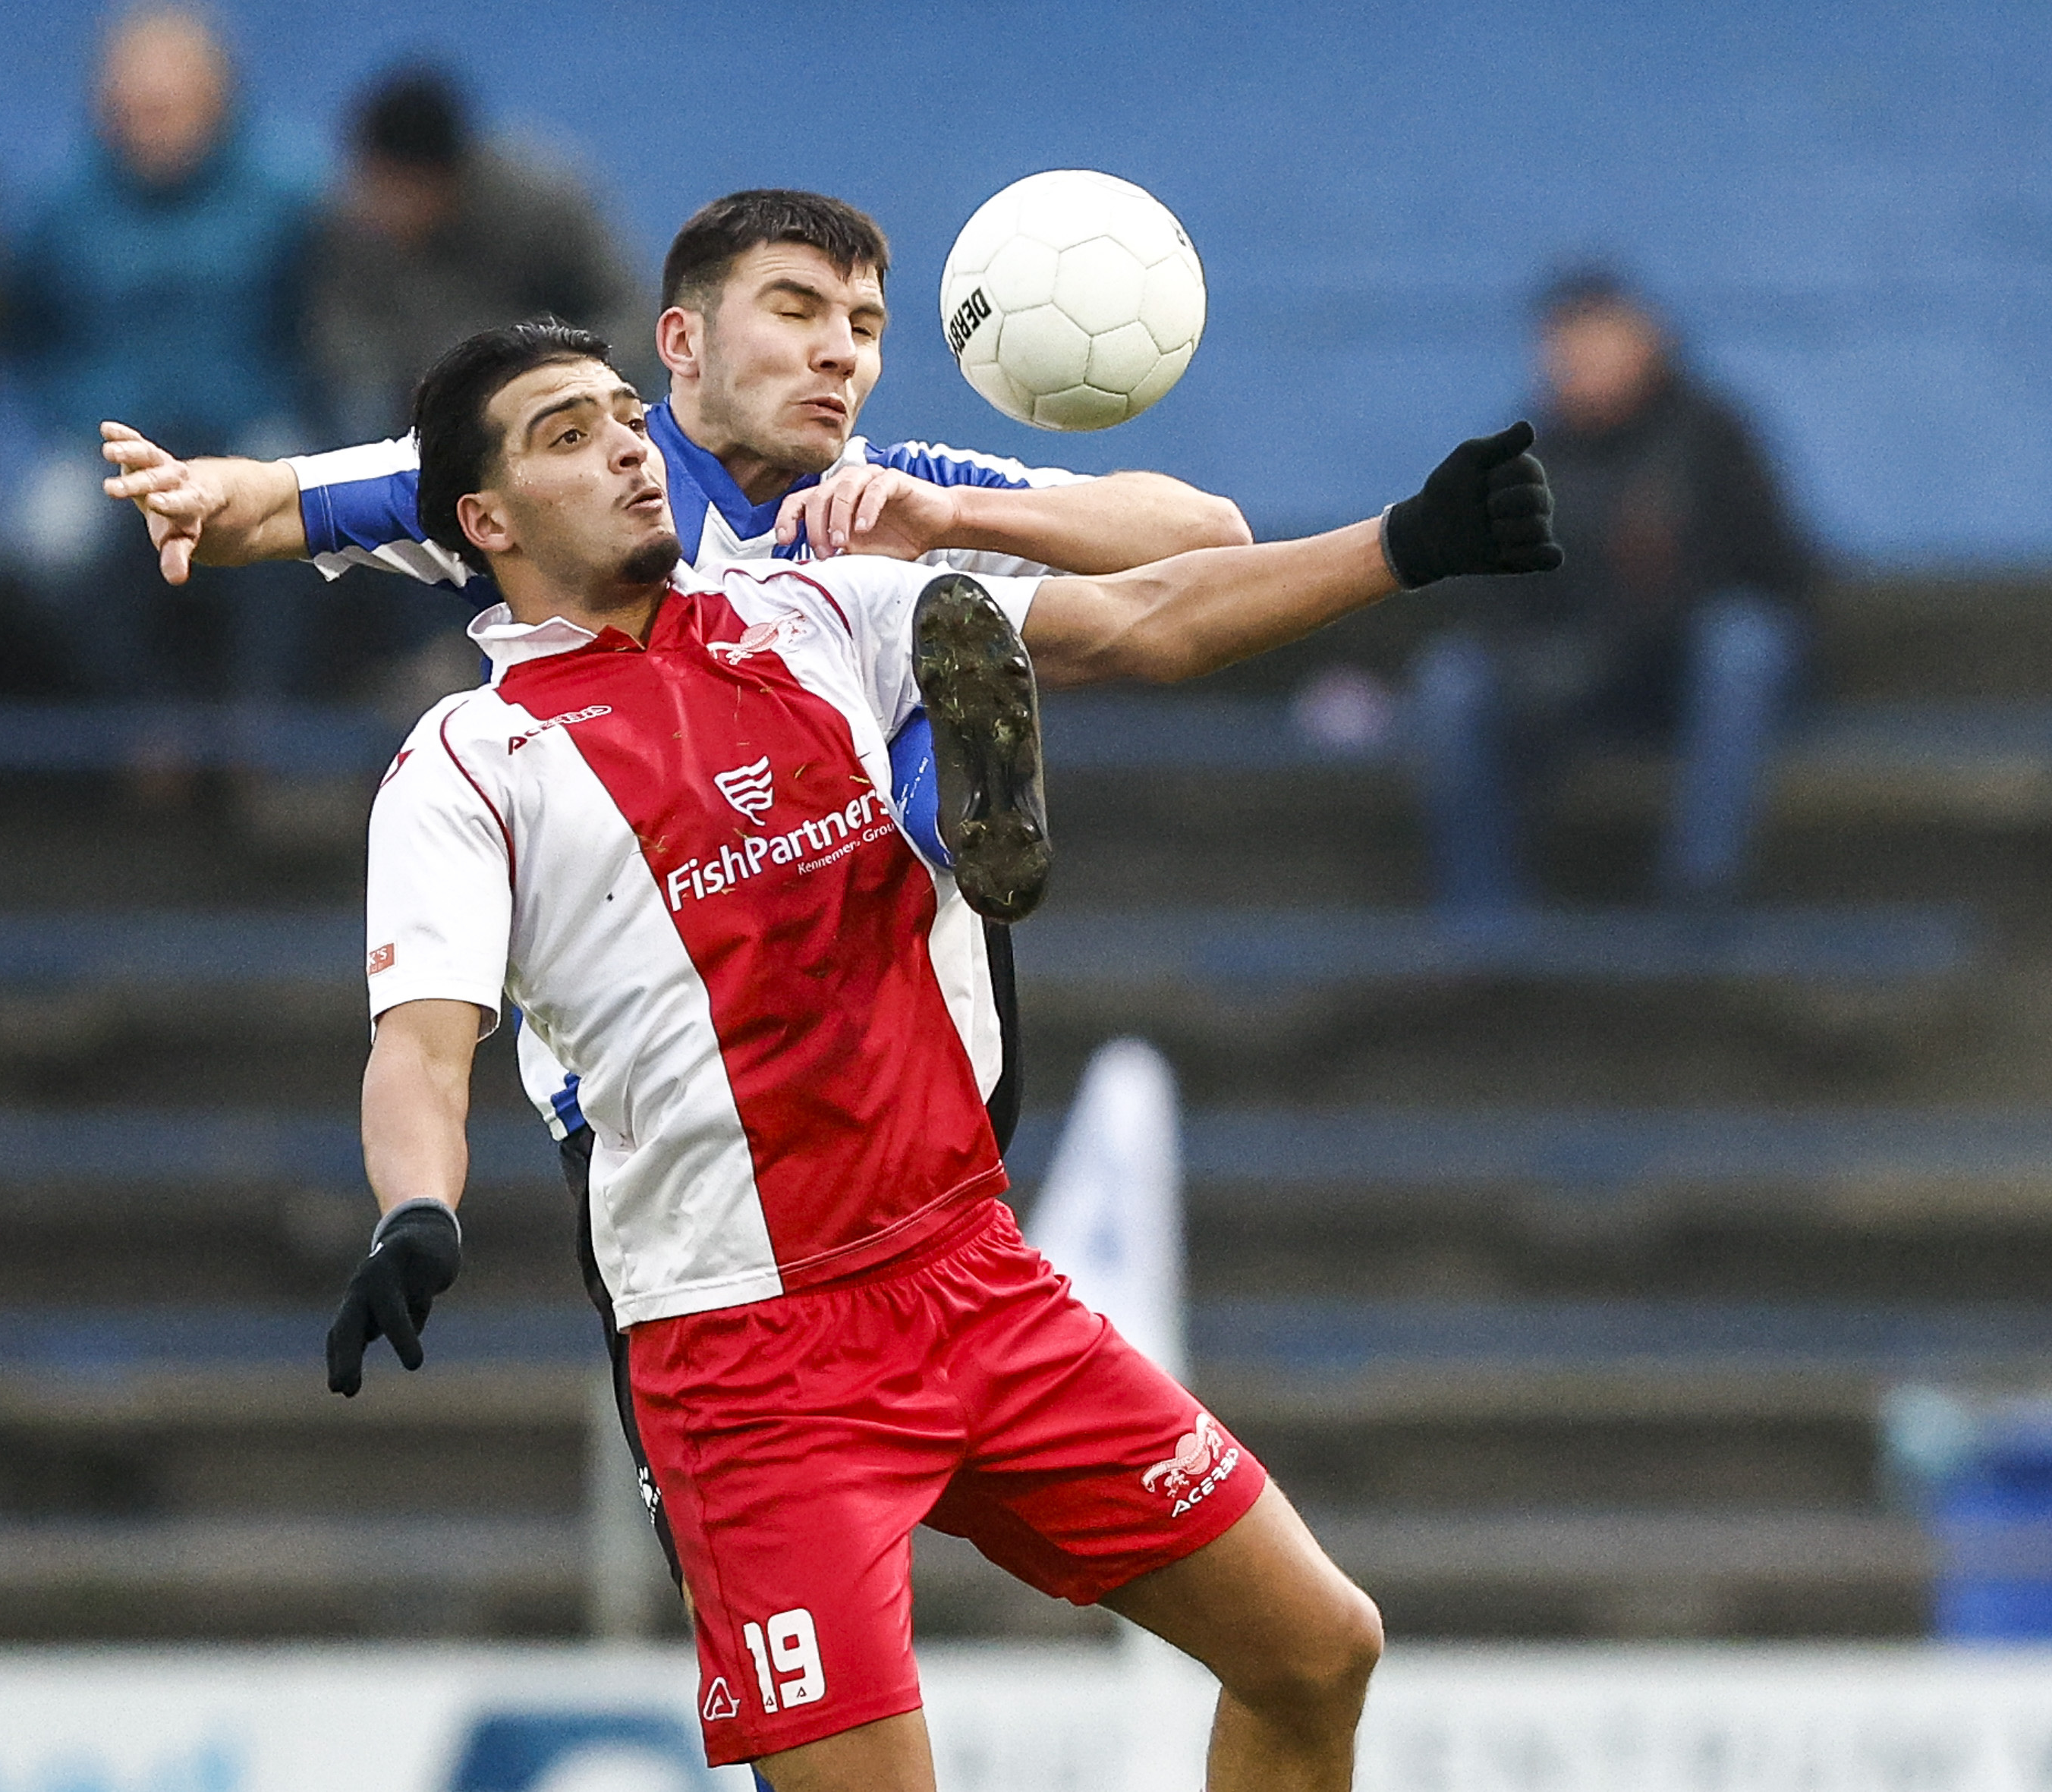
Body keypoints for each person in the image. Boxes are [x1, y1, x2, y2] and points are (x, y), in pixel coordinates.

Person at [317, 318, 1559, 1790]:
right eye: (565, 436)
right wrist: (414, 1208)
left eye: (622, 419)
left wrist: (1403, 543)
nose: (626, 450)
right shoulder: (469, 762)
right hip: (749, 1355)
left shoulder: (815, 612)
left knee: (1315, 1647)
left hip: (973, 1278)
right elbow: (419, 1043)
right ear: (482, 519)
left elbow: (1142, 615)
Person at [99, 188, 1251, 1143]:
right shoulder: (557, 474)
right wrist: (199, 492)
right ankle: (927, 802)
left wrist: (948, 508)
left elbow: (1209, 539)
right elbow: (282, 501)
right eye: (796, 310)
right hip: (657, 1055)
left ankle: (940, 814)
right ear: (681, 341)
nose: (836, 351)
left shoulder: (890, 495)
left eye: (862, 325)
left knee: (899, 629)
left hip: (897, 1038)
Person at [1407, 266, 1814, 910]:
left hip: (1679, 671)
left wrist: (1662, 596)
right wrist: (1549, 662)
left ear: (1646, 342)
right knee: (1452, 680)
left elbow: (1779, 574)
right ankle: (1478, 920)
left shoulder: (1710, 437)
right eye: (1565, 346)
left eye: (1600, 341)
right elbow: (1485, 600)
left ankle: (1698, 888)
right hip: (1567, 676)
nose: (1582, 361)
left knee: (1743, 644)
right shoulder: (1519, 461)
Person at [8, 2, 319, 721]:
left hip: (249, 427)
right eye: (134, 108)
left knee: (301, 521)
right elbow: (27, 333)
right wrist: (71, 415)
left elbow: (316, 324)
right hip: (107, 448)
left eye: (169, 108)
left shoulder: (290, 196)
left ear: (218, 101)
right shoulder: (60, 208)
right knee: (46, 550)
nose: (151, 126)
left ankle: (261, 724)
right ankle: (151, 718)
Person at [307, 62, 648, 445]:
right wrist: (385, 383)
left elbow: (628, 311)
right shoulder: (354, 225)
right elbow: (341, 325)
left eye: (403, 191)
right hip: (420, 426)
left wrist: (567, 381)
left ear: (447, 176)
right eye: (374, 183)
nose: (385, 206)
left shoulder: (539, 202)